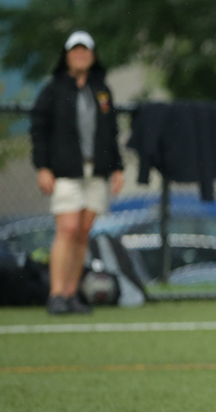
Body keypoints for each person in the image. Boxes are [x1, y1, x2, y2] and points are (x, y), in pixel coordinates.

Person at [30, 31, 124, 316]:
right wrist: (43, 167)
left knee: (83, 232)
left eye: (86, 51)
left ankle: (72, 294)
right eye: (75, 51)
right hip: (66, 170)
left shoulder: (101, 90)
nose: (80, 55)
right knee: (67, 229)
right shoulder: (53, 89)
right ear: (67, 55)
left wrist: (117, 167)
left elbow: (111, 132)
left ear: (93, 56)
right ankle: (56, 293)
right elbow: (39, 131)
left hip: (96, 170)